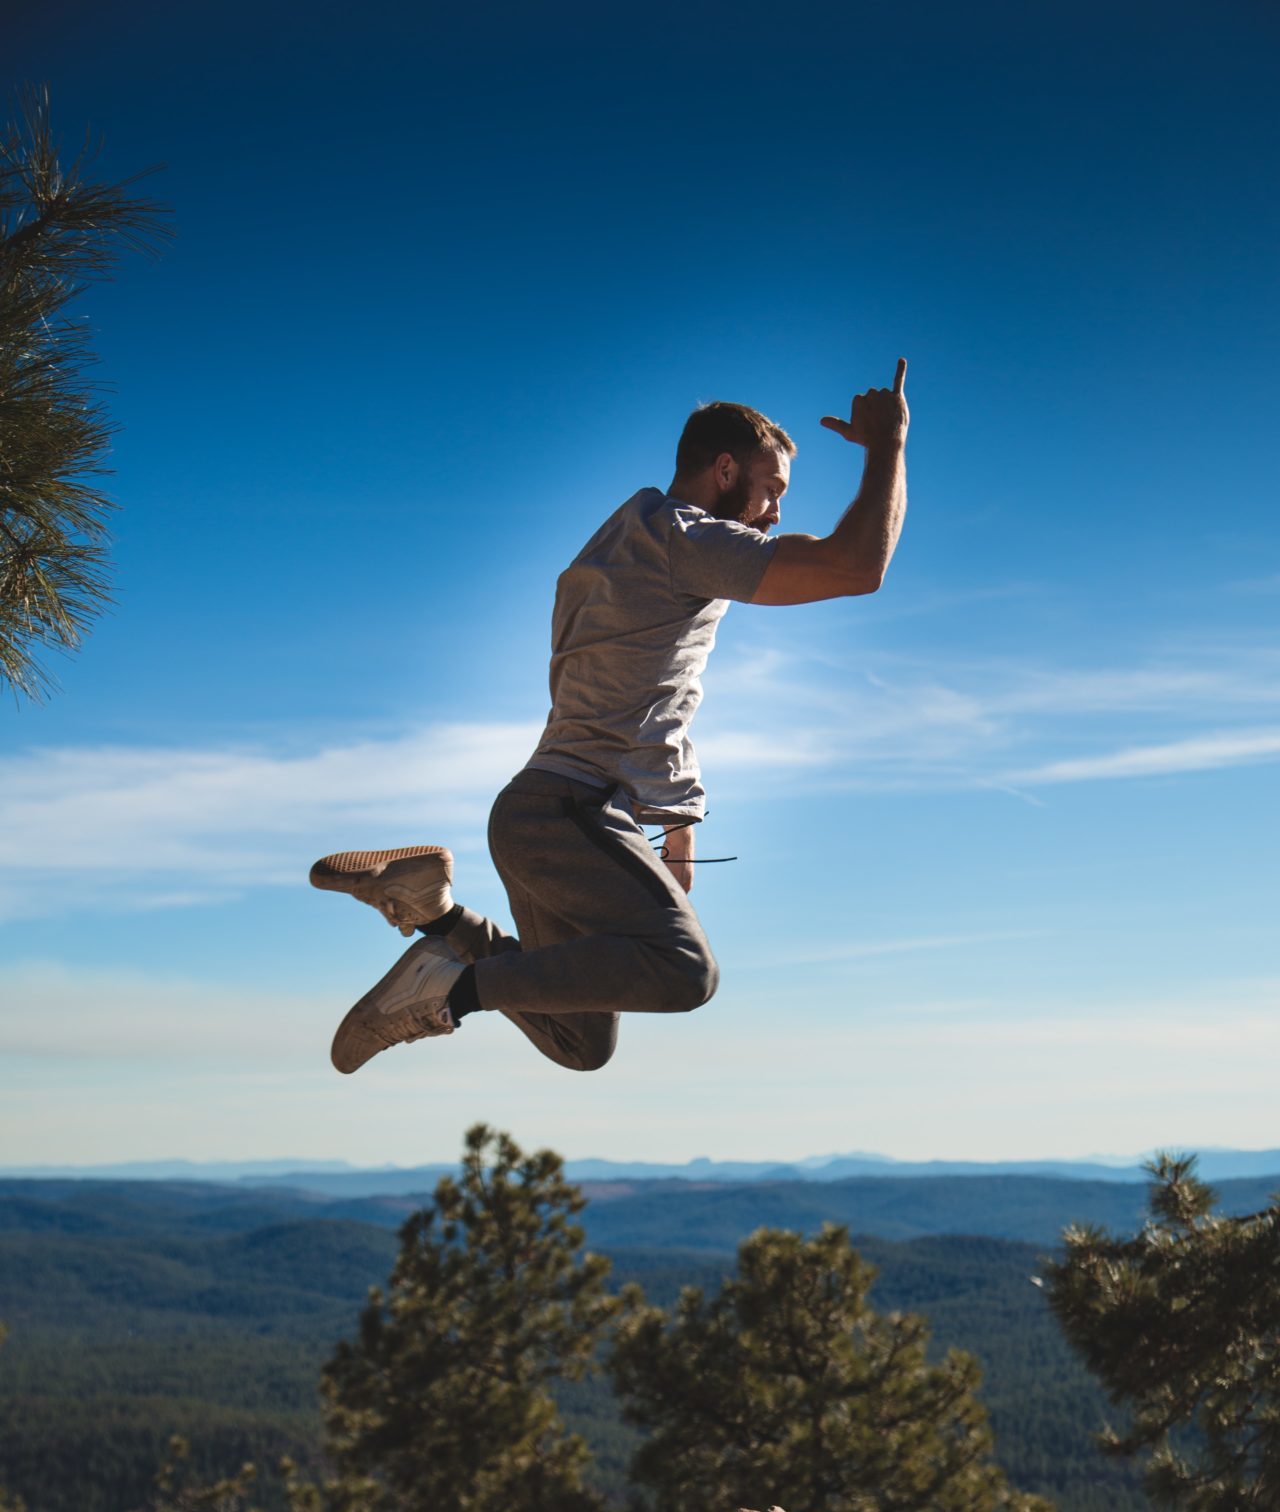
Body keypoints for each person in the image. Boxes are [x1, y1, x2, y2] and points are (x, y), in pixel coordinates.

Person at [312, 360, 909, 1074]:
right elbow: (856, 568)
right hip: (567, 812)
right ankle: (444, 990)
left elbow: (650, 695)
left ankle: (437, 913)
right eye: (771, 488)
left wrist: (680, 818)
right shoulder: (683, 540)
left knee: (581, 1042)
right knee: (684, 969)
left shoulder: (630, 537)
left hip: (541, 815)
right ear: (724, 470)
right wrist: (887, 448)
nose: (777, 511)